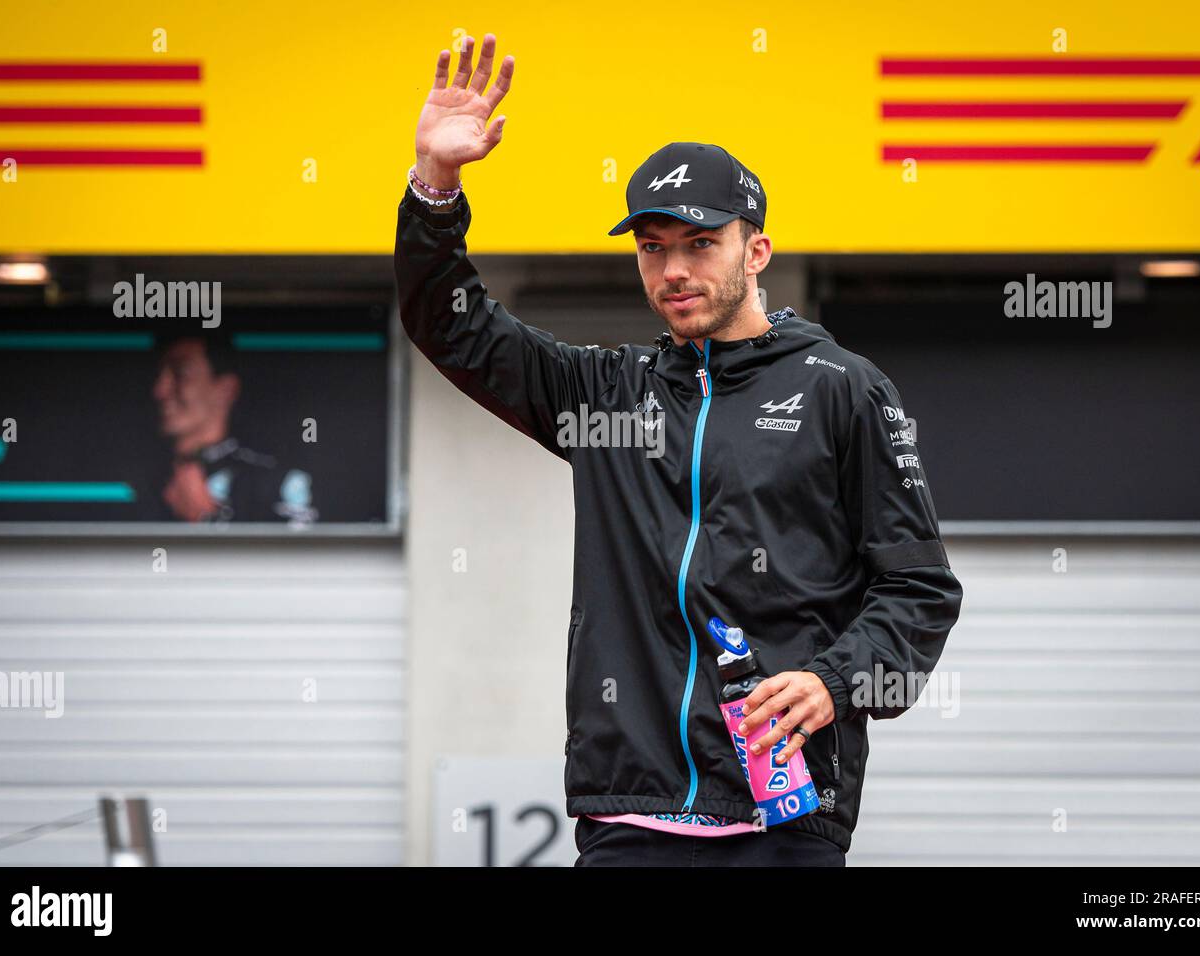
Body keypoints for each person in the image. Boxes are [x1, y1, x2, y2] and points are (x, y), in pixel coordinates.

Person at [395, 33, 963, 866]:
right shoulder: (607, 395)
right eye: (653, 247)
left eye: (700, 243)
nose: (673, 269)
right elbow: (449, 324)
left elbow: (918, 589)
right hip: (631, 816)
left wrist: (834, 680)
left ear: (756, 250)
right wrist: (436, 187)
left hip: (787, 821)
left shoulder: (841, 388)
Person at [146, 333, 316, 526]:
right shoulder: (136, 483)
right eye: (157, 376)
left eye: (181, 374)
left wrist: (204, 519)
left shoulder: (278, 482)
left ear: (225, 389)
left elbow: (300, 554)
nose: (160, 390)